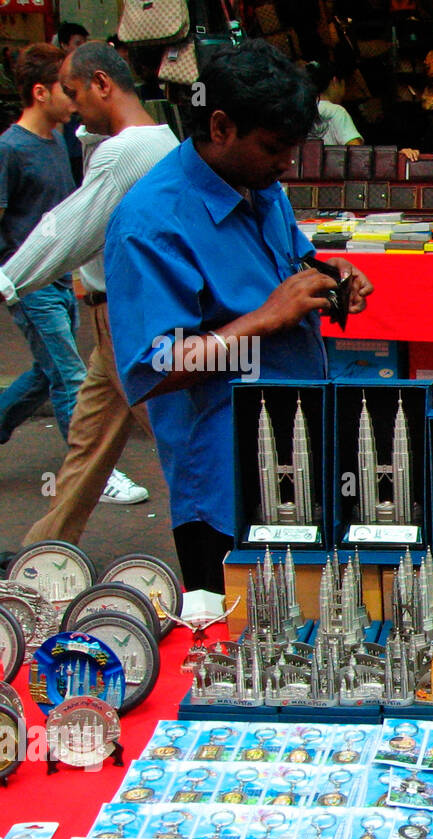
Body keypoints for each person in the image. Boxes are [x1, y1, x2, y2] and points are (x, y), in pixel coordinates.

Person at [106, 41, 373, 594]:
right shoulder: (152, 223)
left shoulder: (260, 186)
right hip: (226, 482)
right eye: (275, 147)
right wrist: (266, 318)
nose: (286, 165)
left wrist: (327, 276)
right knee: (239, 642)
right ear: (221, 127)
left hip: (299, 448)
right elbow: (154, 367)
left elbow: (288, 260)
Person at [0, 42, 180, 548]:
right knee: (87, 448)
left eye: (77, 93)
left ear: (103, 84)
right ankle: (44, 554)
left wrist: (6, 281)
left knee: (180, 450)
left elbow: (66, 228)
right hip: (114, 324)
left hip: (127, 325)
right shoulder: (155, 138)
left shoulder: (126, 150)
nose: (73, 107)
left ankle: (227, 554)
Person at [0, 45, 84, 456]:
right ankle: (89, 472)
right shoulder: (10, 149)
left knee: (45, 371)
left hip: (60, 279)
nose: (74, 98)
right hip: (31, 284)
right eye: (65, 89)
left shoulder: (55, 141)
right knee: (71, 377)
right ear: (39, 92)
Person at [56, 24, 87, 184]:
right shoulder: (57, 76)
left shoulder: (85, 73)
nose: (81, 49)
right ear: (64, 45)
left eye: (84, 43)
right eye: (77, 43)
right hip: (69, 149)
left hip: (83, 147)